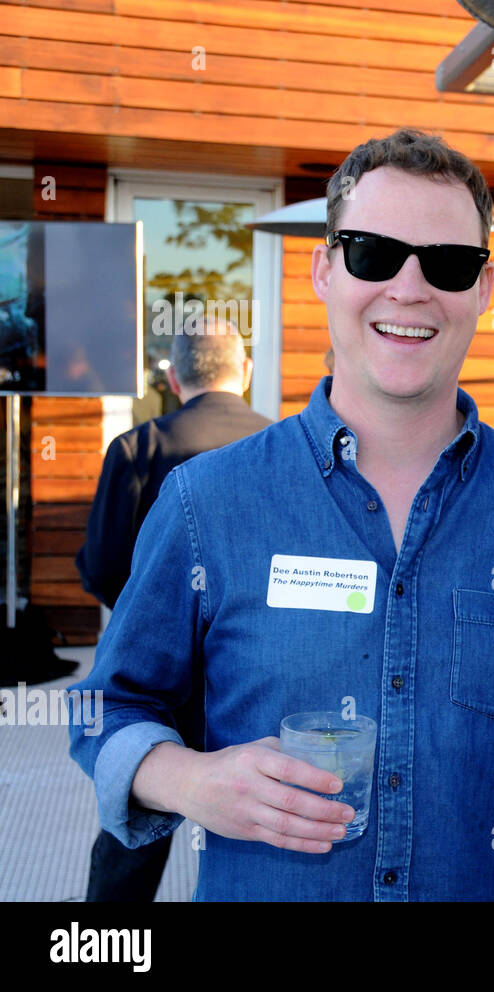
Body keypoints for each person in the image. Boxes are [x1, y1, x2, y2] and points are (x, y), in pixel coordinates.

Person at [69, 128, 494, 901]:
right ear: (324, 269)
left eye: (447, 263)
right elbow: (101, 704)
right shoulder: (206, 502)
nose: (409, 288)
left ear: (483, 288)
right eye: (374, 254)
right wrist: (188, 779)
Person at [75, 322, 271, 901]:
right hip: (257, 682)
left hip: (158, 683)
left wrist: (151, 628)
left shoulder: (136, 447)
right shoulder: (285, 449)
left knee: (133, 832)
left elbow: (103, 566)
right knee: (266, 830)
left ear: (173, 379)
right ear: (246, 372)